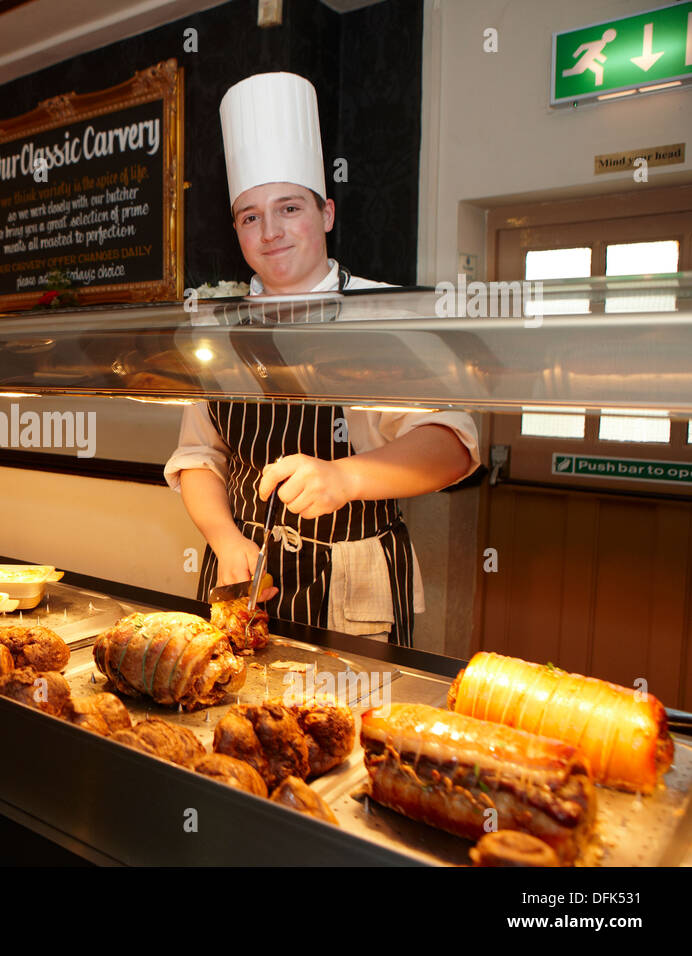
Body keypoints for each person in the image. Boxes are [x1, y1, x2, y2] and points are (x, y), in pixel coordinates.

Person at [165, 72, 482, 647]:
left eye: (289, 207)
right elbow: (197, 457)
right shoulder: (218, 325)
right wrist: (223, 539)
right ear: (236, 228)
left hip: (353, 589)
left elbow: (452, 446)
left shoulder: (382, 314)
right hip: (242, 576)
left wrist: (344, 476)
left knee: (346, 732)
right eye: (251, 216)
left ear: (327, 213)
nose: (271, 232)